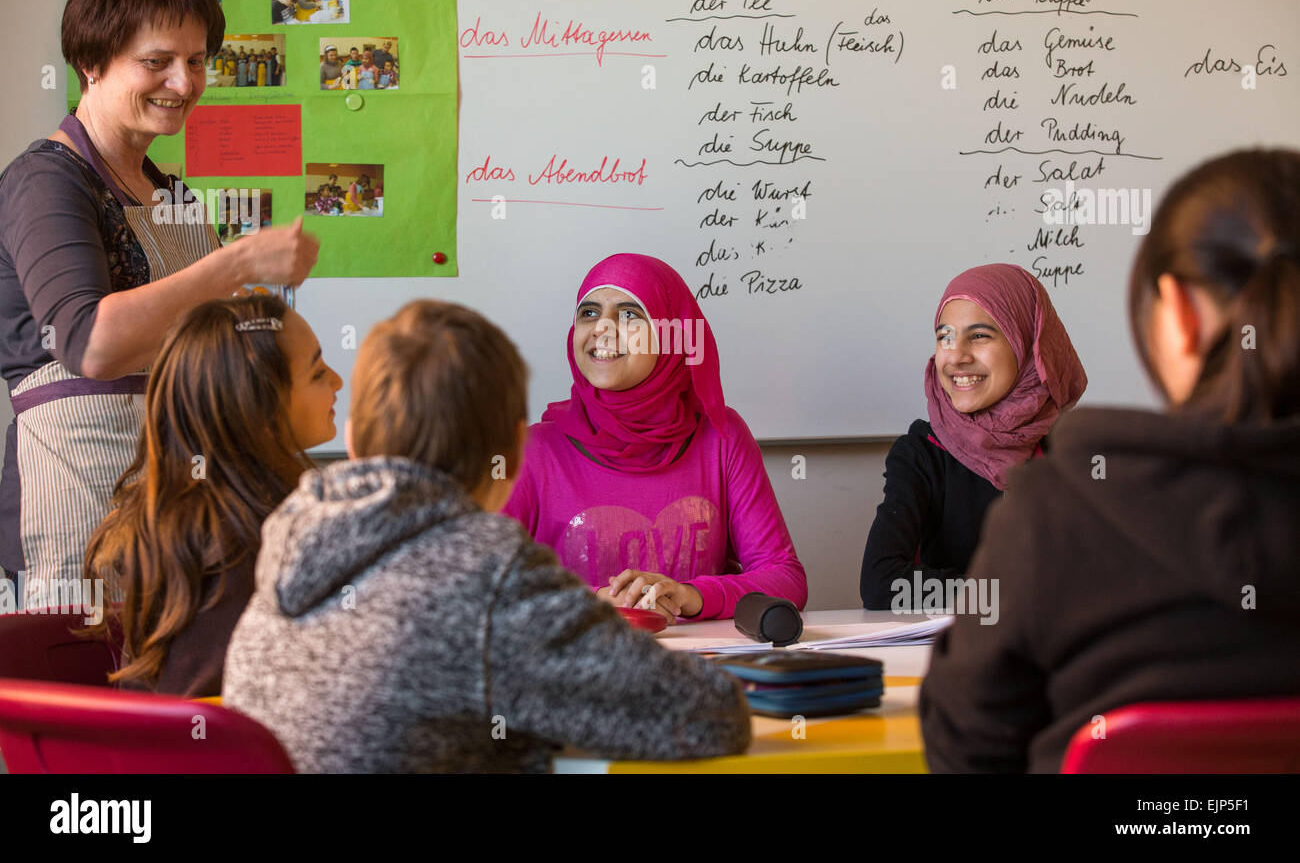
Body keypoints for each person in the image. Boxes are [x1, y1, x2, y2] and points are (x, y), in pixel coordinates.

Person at [222, 300, 752, 772]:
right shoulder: (490, 573)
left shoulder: (288, 535)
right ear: (512, 455)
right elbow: (710, 717)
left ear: (355, 438)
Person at [920, 149, 1300, 773]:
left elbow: (964, 751)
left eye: (981, 334)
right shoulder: (990, 475)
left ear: (1177, 317)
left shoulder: (1057, 510)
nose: (957, 355)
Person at [0, 0, 318, 590]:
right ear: (90, 63)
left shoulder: (171, 196)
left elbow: (205, 343)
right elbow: (90, 341)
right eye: (157, 62)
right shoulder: (45, 181)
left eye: (197, 61)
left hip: (175, 513)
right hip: (76, 511)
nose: (184, 83)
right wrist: (238, 263)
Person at [503, 253, 807, 621]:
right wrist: (591, 603)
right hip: (571, 669)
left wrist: (691, 595)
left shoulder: (721, 436)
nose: (602, 328)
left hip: (700, 667)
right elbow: (475, 586)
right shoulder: (531, 451)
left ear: (671, 333)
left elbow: (785, 576)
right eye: (589, 313)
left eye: (629, 314)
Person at [83, 295, 341, 698]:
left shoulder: (177, 515)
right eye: (317, 372)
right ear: (260, 407)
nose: (338, 381)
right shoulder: (262, 532)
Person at [859, 264, 1086, 609]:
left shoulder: (1072, 453)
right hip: (958, 653)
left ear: (1028, 344)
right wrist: (1010, 593)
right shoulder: (922, 453)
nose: (957, 356)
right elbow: (881, 584)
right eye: (945, 337)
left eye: (979, 336)